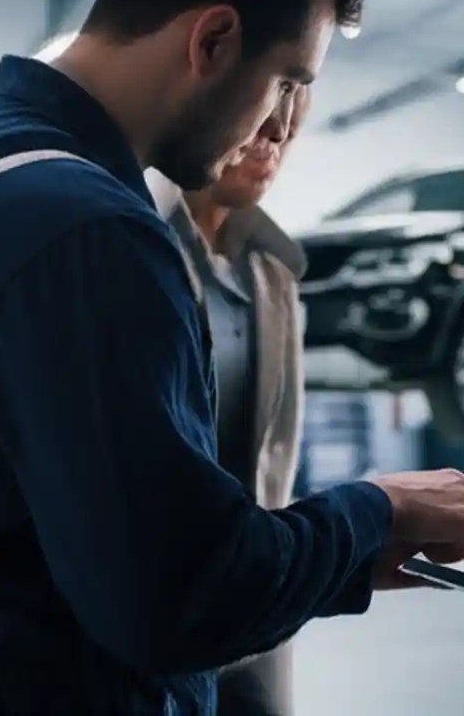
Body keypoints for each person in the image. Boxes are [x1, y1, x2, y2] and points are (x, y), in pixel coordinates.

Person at [0, 0, 464, 715]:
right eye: (287, 81)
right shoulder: (87, 230)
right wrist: (375, 512)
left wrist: (354, 552)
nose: (281, 124)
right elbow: (181, 596)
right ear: (215, 40)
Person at [145, 82, 310, 716]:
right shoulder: (136, 245)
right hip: (158, 610)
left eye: (301, 94)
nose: (281, 128)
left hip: (258, 600)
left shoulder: (274, 271)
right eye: (276, 87)